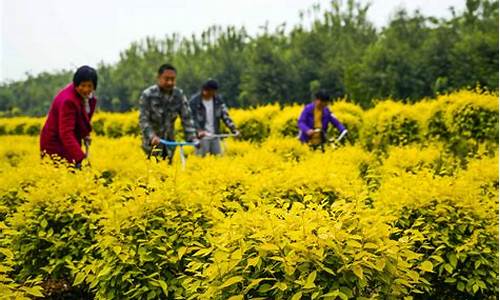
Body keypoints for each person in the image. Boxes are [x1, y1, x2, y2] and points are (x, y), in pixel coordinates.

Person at [40, 66, 98, 168]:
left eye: (90, 86)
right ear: (76, 84)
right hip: (56, 145)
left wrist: (85, 134)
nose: (86, 89)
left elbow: (82, 119)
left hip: (69, 143)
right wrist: (81, 158)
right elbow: (66, 133)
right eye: (83, 85)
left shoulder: (88, 97)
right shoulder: (68, 101)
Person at [139, 64, 198, 163]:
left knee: (169, 174)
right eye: (166, 79)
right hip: (151, 146)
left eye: (172, 79)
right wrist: (152, 136)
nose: (170, 82)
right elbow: (143, 120)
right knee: (153, 174)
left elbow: (187, 118)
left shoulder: (178, 95)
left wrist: (192, 137)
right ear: (158, 78)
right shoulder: (148, 95)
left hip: (169, 144)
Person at [189, 79, 239, 156]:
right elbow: (191, 119)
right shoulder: (194, 102)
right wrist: (198, 130)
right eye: (205, 90)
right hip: (202, 138)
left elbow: (225, 116)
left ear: (214, 91)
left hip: (215, 136)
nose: (206, 92)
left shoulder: (218, 101)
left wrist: (233, 129)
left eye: (209, 90)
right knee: (201, 161)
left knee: (218, 160)